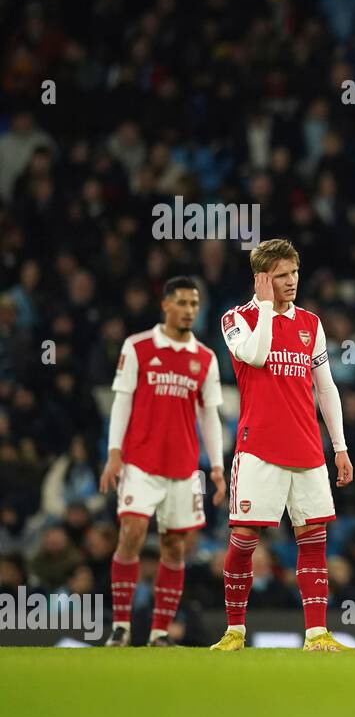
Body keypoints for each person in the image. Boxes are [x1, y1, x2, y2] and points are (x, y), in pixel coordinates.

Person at [211, 239, 354, 652]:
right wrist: (266, 309)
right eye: (280, 276)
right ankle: (235, 631)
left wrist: (339, 447)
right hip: (258, 449)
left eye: (293, 273)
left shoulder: (312, 323)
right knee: (243, 538)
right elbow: (255, 357)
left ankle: (316, 635)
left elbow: (325, 389)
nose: (291, 281)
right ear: (261, 279)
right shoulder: (235, 319)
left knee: (313, 539)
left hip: (308, 449)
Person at [98, 276, 226, 646]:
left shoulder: (205, 358)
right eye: (182, 303)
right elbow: (122, 400)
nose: (189, 310)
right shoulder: (137, 347)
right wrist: (114, 452)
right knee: (133, 531)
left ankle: (159, 632)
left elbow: (209, 416)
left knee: (175, 546)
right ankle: (121, 625)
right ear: (166, 305)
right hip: (140, 461)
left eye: (194, 304)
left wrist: (216, 467)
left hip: (184, 468)